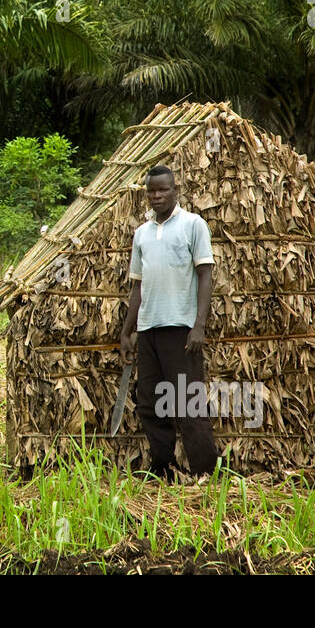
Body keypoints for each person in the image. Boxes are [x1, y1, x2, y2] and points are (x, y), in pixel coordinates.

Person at [119, 165, 219, 482]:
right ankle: (162, 470)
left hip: (181, 329)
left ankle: (204, 472)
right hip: (148, 330)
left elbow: (205, 275)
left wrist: (199, 325)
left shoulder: (193, 225)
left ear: (175, 189)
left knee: (186, 401)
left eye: (163, 190)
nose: (157, 195)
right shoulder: (142, 234)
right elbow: (137, 286)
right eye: (152, 191)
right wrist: (127, 331)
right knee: (149, 403)